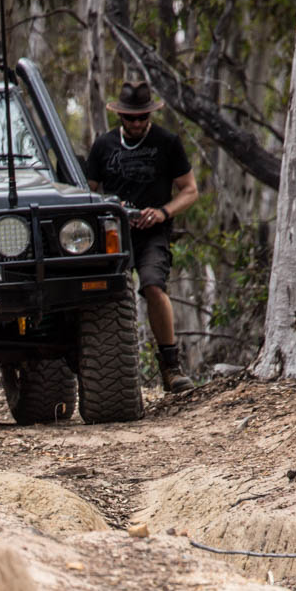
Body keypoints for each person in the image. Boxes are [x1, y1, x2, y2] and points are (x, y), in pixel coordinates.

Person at [85, 80, 199, 394]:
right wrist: (110, 206)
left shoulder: (167, 142)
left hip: (154, 233)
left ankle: (171, 366)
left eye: (141, 118)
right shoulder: (103, 145)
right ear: (120, 116)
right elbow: (85, 192)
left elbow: (190, 191)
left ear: (149, 115)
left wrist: (163, 212)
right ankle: (105, 375)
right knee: (106, 294)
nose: (136, 124)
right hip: (113, 233)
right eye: (130, 118)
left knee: (153, 285)